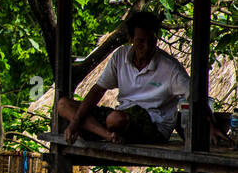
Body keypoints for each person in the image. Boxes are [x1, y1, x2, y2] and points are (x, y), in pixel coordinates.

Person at [56, 11, 227, 147]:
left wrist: (210, 126)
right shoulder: (120, 57)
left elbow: (196, 96)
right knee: (63, 104)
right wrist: (74, 124)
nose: (147, 47)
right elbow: (98, 90)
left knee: (114, 119)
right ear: (131, 39)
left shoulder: (170, 68)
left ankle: (98, 130)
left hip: (154, 125)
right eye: (141, 41)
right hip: (122, 116)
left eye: (152, 41)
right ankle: (108, 135)